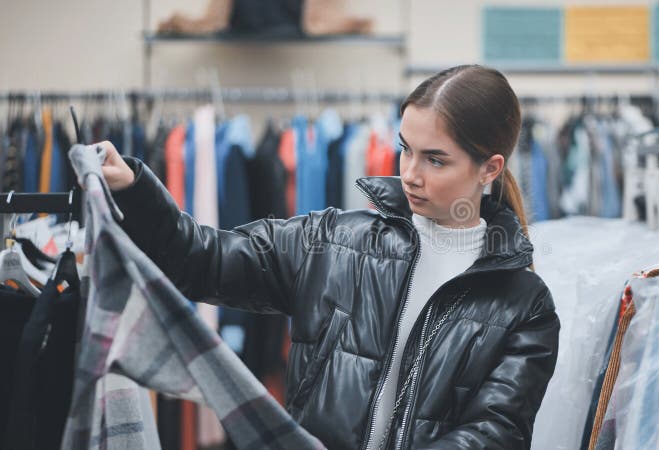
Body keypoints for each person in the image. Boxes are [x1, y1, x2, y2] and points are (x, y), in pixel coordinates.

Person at [97, 65, 559, 449]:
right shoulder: (332, 242)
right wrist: (134, 190)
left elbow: (495, 434)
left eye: (435, 160)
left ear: (490, 168)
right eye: (405, 150)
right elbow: (202, 260)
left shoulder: (524, 304)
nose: (410, 174)